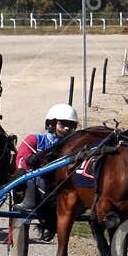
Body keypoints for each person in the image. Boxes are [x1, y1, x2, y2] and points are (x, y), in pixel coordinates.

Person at [14, 103, 79, 240]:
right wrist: (29, 162)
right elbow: (21, 160)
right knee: (31, 178)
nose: (67, 128)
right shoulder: (35, 140)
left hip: (60, 185)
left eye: (71, 125)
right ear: (52, 124)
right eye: (63, 124)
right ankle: (28, 204)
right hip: (38, 184)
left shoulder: (75, 146)